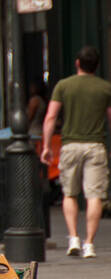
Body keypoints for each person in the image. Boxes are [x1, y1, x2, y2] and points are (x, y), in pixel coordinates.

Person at [41, 46, 111, 258]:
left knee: (69, 193)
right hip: (95, 146)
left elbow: (51, 117)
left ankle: (73, 237)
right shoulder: (105, 88)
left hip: (70, 145)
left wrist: (46, 146)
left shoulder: (64, 86)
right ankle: (89, 243)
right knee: (94, 196)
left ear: (77, 63)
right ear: (96, 66)